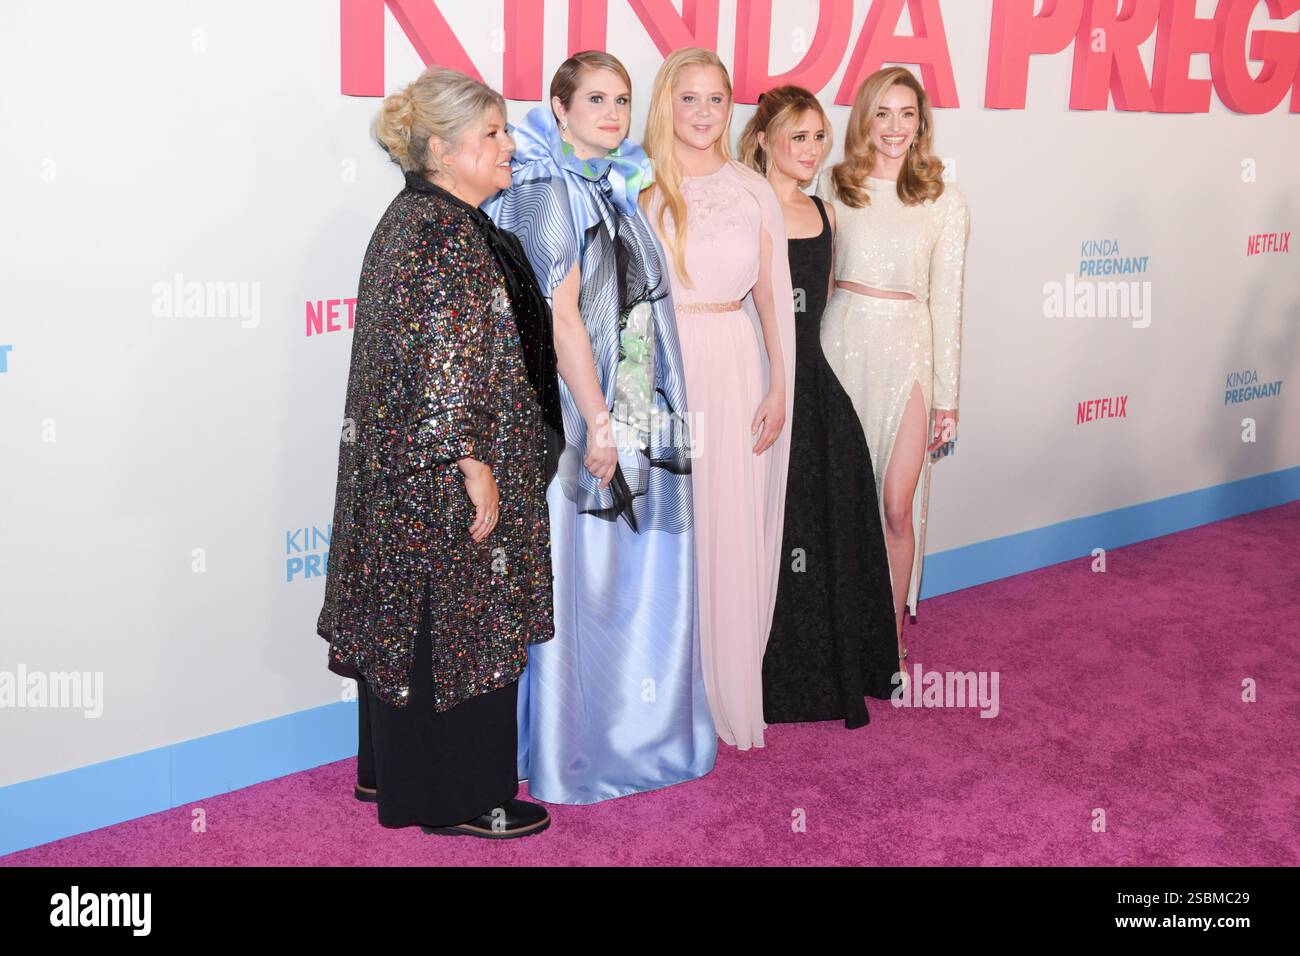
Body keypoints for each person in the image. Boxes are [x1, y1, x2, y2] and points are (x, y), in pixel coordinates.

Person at [316, 66, 562, 839]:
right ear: (439, 148)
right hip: (444, 481)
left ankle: (390, 772)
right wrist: (474, 464)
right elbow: (441, 361)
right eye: (489, 134)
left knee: (407, 626)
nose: (507, 145)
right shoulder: (442, 233)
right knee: (461, 633)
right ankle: (462, 798)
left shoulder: (422, 220)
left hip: (409, 482)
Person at [483, 52, 716, 803]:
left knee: (617, 572)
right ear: (558, 107)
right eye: (594, 99)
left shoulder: (613, 189)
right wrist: (600, 425)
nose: (613, 114)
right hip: (581, 420)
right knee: (579, 575)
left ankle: (624, 730)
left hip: (632, 412)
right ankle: (574, 748)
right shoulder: (549, 193)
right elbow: (562, 325)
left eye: (621, 100)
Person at [640, 48, 796, 751]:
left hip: (734, 361)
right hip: (665, 368)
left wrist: (780, 383)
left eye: (716, 99)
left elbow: (772, 298)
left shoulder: (753, 188)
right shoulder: (638, 181)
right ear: (665, 103)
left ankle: (724, 689)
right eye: (689, 98)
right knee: (667, 530)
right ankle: (659, 698)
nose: (704, 114)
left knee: (728, 520)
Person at [737, 86, 898, 728]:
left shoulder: (826, 212)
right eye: (797, 137)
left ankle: (836, 670)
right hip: (755, 385)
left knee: (820, 526)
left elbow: (824, 303)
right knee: (770, 532)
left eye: (818, 137)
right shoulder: (744, 206)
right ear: (763, 140)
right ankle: (762, 678)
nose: (810, 150)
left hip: (816, 389)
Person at [815, 66, 971, 672]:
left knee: (896, 505)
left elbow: (948, 303)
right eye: (883, 113)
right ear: (865, 120)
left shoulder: (944, 201)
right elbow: (817, 280)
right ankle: (834, 634)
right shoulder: (835, 187)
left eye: (907, 114)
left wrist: (948, 398)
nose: (895, 127)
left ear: (921, 122)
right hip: (841, 342)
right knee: (837, 502)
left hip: (909, 351)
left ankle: (889, 641)